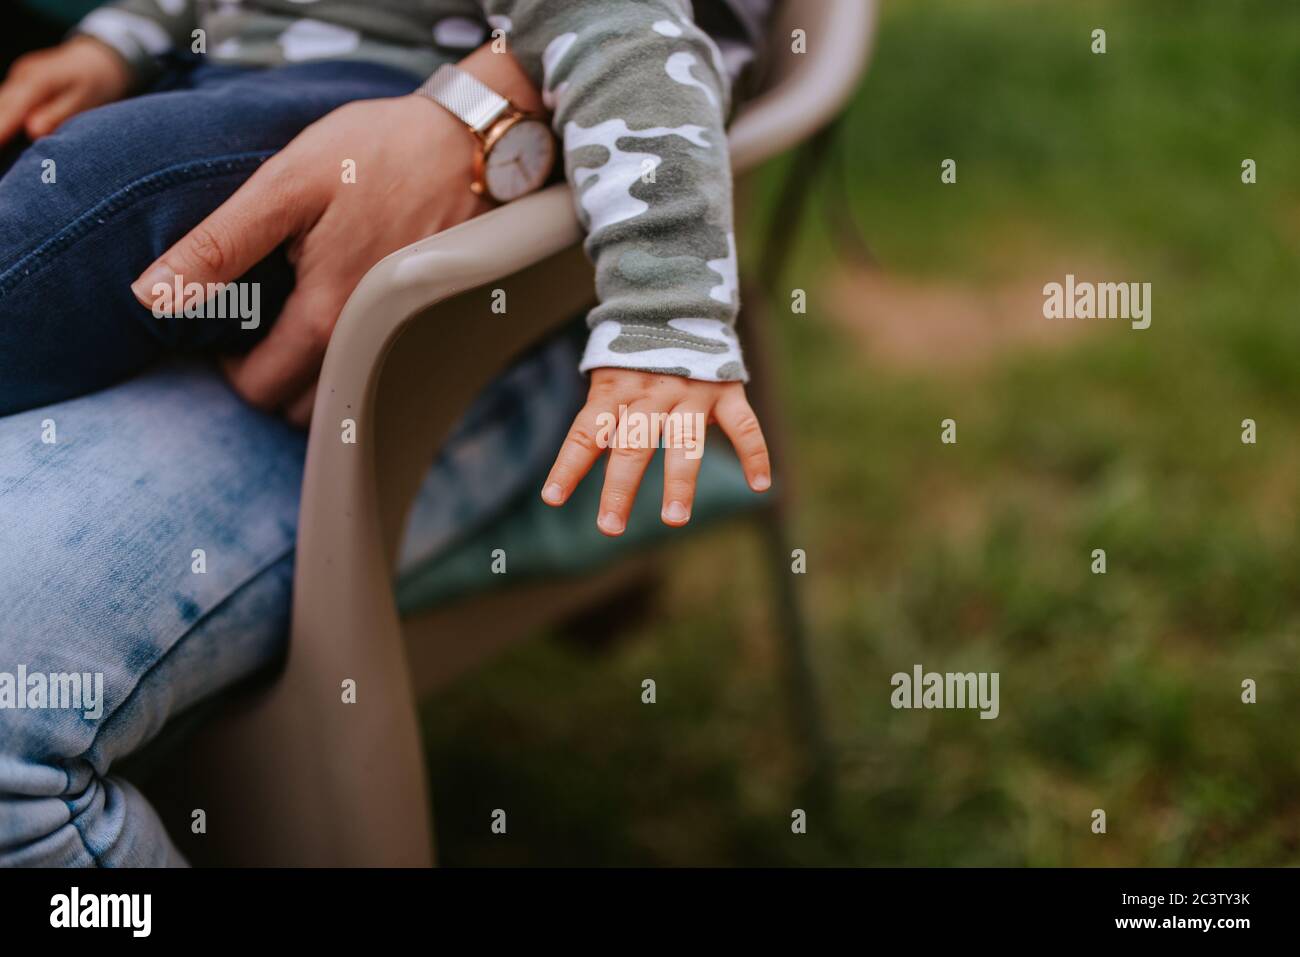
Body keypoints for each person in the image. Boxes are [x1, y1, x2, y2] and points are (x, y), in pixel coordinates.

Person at [0, 0, 772, 865]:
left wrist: (666, 319)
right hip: (216, 85)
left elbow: (630, 40)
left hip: (366, 108)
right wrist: (114, 45)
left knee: (103, 178)